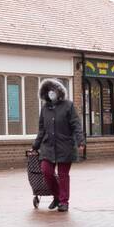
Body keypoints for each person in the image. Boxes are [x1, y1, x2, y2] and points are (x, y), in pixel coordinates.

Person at [28, 78, 84, 212]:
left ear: (59, 92)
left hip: (65, 146)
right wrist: (35, 146)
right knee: (46, 172)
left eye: (53, 91)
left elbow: (76, 125)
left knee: (63, 174)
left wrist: (80, 141)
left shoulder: (68, 106)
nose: (50, 94)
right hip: (48, 147)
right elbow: (41, 130)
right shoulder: (45, 109)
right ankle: (57, 196)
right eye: (48, 91)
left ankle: (64, 202)